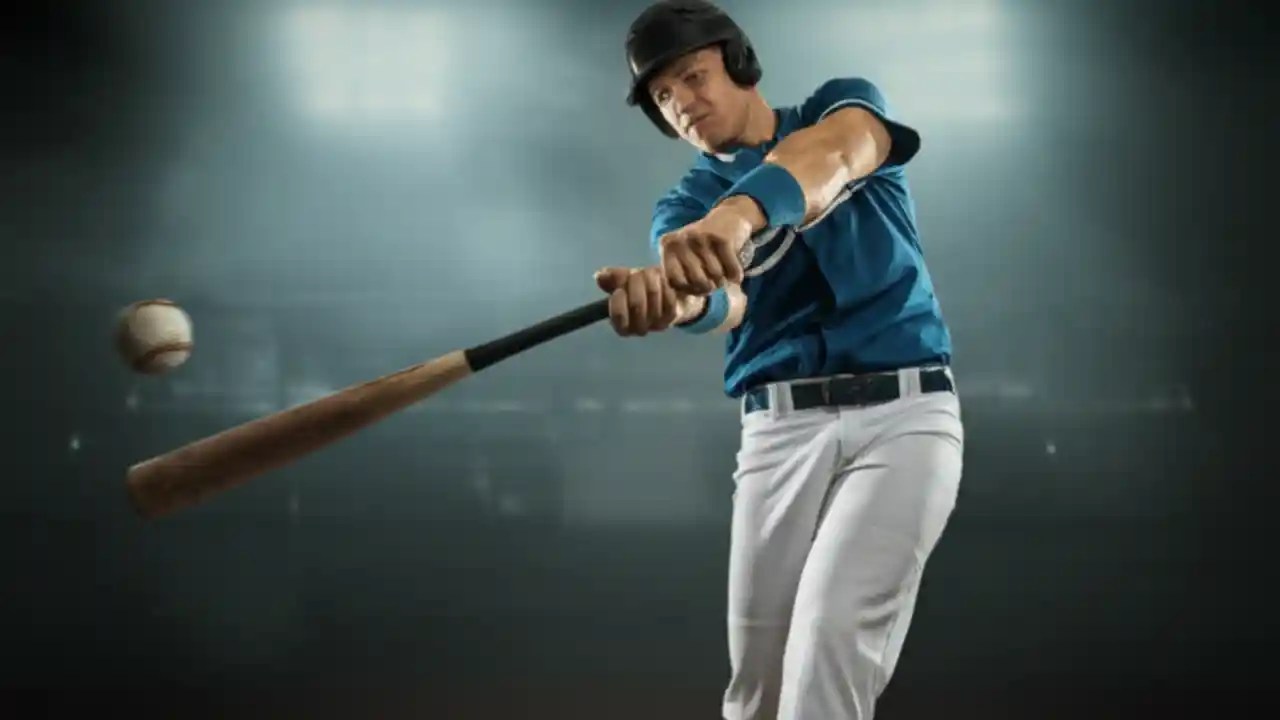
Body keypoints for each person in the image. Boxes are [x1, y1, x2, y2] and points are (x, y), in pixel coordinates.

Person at [592, 1, 966, 718]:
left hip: (905, 416)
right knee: (758, 689)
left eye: (693, 76)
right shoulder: (682, 207)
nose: (682, 104)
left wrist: (738, 215)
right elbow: (724, 302)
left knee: (828, 644)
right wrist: (672, 303)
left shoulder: (840, 110)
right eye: (664, 97)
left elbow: (833, 159)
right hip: (779, 431)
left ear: (737, 61)